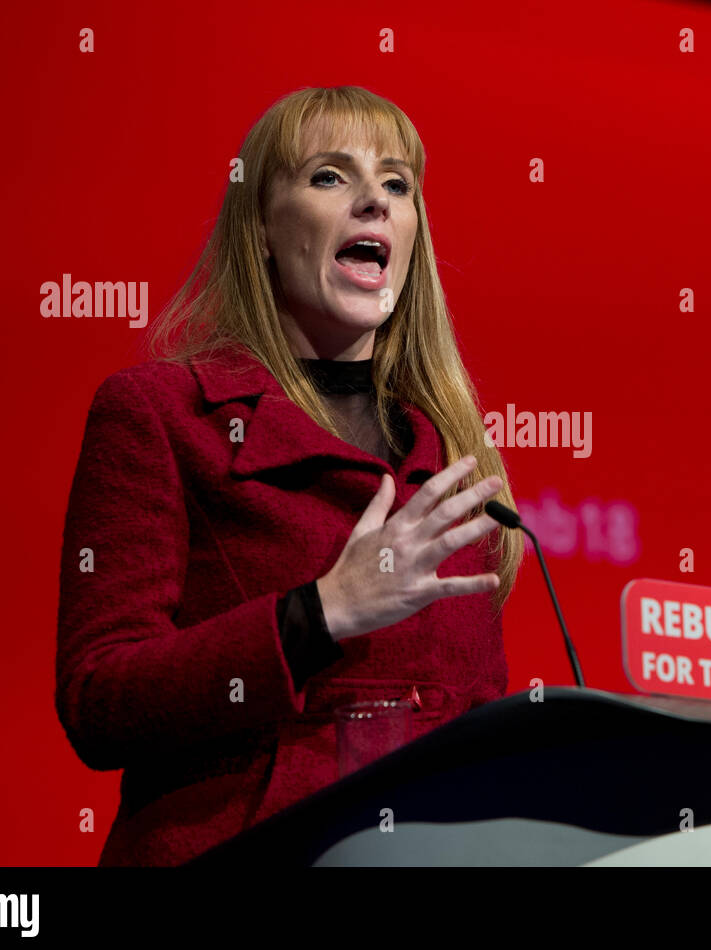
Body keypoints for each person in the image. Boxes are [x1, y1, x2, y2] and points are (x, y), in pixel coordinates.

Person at [54, 86, 523, 866]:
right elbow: (99, 698)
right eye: (330, 176)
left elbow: (478, 735)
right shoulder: (161, 414)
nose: (374, 197)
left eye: (397, 183)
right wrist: (318, 613)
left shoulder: (453, 455)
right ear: (264, 229)